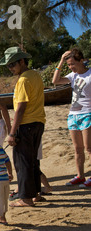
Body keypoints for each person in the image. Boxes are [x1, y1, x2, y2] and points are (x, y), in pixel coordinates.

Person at [0, 47, 46, 207]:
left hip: (26, 124)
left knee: (23, 162)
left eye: (12, 64)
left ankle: (25, 198)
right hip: (38, 122)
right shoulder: (35, 75)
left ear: (21, 61)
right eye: (8, 66)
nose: (11, 68)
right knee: (32, 160)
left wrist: (12, 133)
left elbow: (20, 108)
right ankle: (36, 194)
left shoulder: (24, 80)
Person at [52, 48, 91, 188]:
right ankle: (80, 176)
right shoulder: (72, 76)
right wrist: (61, 61)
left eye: (72, 64)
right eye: (68, 65)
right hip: (73, 115)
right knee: (77, 148)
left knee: (89, 147)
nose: (71, 67)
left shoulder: (90, 74)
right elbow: (55, 80)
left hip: (88, 113)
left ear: (82, 61)